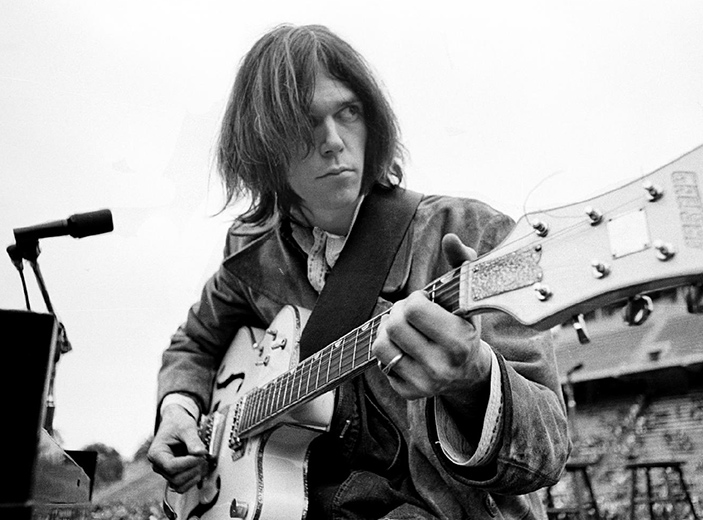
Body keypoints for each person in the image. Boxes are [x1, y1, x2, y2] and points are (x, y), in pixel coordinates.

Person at [147, 23, 570, 520]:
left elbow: (548, 452)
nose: (333, 141)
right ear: (262, 147)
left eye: (348, 111)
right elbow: (195, 341)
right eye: (305, 123)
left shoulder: (469, 233)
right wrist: (179, 407)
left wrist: (474, 379)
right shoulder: (252, 252)